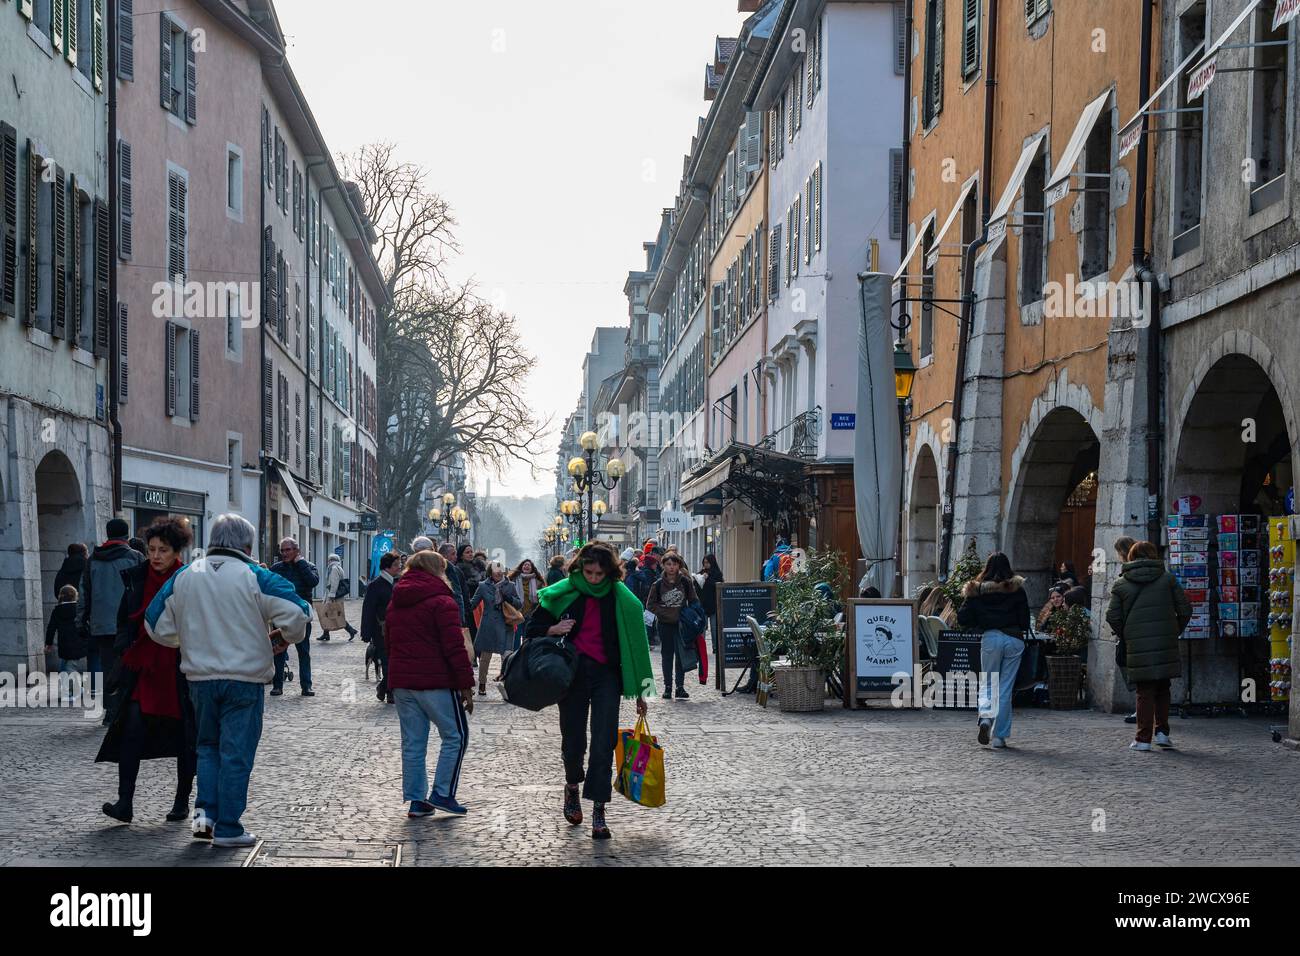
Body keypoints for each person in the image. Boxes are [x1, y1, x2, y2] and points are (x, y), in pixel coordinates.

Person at [145, 513, 310, 847]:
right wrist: (284, 638)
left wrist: (187, 641)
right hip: (243, 679)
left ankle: (203, 824)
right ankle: (229, 827)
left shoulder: (188, 574)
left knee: (207, 750)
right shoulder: (255, 575)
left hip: (200, 678)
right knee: (235, 754)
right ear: (246, 545)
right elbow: (298, 613)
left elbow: (155, 624)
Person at [526, 542, 653, 839]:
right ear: (580, 568)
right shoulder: (565, 591)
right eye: (589, 572)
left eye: (599, 573)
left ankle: (599, 808)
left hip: (607, 675)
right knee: (573, 739)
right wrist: (553, 629)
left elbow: (638, 650)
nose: (594, 578)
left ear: (610, 572)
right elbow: (532, 628)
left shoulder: (622, 599)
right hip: (572, 674)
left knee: (604, 741)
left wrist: (642, 692)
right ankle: (572, 785)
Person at [97, 517, 197, 826]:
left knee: (186, 739)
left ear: (176, 551)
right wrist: (124, 650)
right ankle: (124, 802)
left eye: (163, 550)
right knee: (131, 732)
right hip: (144, 669)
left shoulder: (188, 579)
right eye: (152, 549)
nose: (155, 556)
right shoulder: (137, 576)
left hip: (180, 670)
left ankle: (181, 802)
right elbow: (125, 618)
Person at [385, 550, 475, 817]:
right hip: (436, 681)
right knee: (456, 736)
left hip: (403, 682)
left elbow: (389, 642)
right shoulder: (442, 601)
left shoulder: (396, 600)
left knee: (413, 742)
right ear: (438, 570)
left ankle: (417, 800)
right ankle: (443, 793)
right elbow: (454, 647)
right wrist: (466, 685)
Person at [1106, 540, 1191, 752]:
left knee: (1144, 691)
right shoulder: (1168, 579)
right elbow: (1185, 610)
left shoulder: (1122, 583)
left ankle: (1143, 738)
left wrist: (1127, 634)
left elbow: (1112, 616)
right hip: (1165, 640)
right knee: (1163, 687)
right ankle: (1162, 733)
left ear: (1131, 557)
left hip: (1136, 643)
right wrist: (1173, 631)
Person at [958, 552, 1030, 749]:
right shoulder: (1017, 589)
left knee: (989, 684)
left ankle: (986, 719)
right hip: (1013, 638)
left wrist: (980, 621)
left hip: (990, 637)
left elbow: (963, 618)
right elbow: (1025, 620)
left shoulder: (977, 591)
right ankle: (999, 737)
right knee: (1006, 688)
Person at [79, 518, 145, 724]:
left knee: (108, 667)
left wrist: (81, 620)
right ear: (126, 536)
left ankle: (111, 711)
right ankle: (129, 709)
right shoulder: (136, 557)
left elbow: (84, 593)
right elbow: (145, 591)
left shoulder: (92, 560)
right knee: (132, 665)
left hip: (102, 624)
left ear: (108, 534)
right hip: (129, 623)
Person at [268, 538, 319, 697]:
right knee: (279, 651)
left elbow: (313, 582)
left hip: (301, 617)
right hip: (281, 615)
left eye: (288, 550)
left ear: (297, 550)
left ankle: (306, 686)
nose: (284, 553)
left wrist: (301, 563)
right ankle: (277, 685)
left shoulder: (308, 567)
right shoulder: (276, 568)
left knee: (303, 651)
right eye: (282, 550)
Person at [647, 552, 700, 700]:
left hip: (681, 625)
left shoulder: (685, 582)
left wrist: (692, 616)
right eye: (668, 564)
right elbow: (650, 605)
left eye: (674, 564)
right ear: (663, 565)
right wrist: (663, 613)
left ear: (679, 565)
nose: (671, 567)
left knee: (681, 655)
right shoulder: (657, 584)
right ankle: (668, 687)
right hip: (664, 625)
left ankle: (680, 687)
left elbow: (693, 600)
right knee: (667, 655)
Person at [468, 562, 522, 696]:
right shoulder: (482, 586)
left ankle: (506, 685)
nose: (498, 572)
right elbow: (472, 604)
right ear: (490, 571)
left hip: (506, 625)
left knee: (506, 656)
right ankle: (482, 683)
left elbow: (519, 604)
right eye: (495, 570)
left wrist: (509, 598)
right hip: (489, 626)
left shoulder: (510, 586)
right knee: (485, 657)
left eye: (500, 570)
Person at [362, 551, 402, 695]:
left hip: (397, 629)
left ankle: (383, 687)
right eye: (396, 565)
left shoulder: (397, 583)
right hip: (381, 630)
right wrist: (366, 632)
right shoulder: (376, 585)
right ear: (387, 567)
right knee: (386, 661)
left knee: (394, 661)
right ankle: (390, 693)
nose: (399, 567)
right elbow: (368, 609)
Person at [1111, 535, 1138, 724]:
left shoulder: (1126, 577)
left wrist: (1122, 630)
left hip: (1131, 633)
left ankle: (1142, 712)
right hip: (1146, 632)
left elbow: (1113, 614)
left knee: (1133, 670)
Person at [45, 584, 84, 703]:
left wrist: (48, 643)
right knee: (70, 669)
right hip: (78, 643)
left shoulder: (57, 610)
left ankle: (74, 691)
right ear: (75, 596)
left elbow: (51, 628)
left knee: (67, 668)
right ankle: (75, 691)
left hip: (64, 644)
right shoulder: (78, 608)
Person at [318, 554, 358, 642]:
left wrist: (331, 596)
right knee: (328, 614)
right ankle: (326, 634)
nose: (328, 561)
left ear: (331, 560)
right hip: (335, 596)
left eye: (329, 560)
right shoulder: (338, 567)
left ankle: (351, 630)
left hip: (333, 596)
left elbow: (334, 583)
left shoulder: (333, 569)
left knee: (335, 615)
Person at [508, 559, 545, 651]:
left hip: (531, 614)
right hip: (516, 613)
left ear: (532, 568)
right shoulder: (513, 580)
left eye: (529, 565)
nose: (526, 566)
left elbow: (542, 598)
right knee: (516, 637)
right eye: (524, 565)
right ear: (521, 567)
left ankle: (525, 655)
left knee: (527, 637)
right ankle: (515, 656)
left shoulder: (538, 582)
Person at [699, 554, 724, 653]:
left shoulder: (717, 573)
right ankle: (701, 647)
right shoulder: (701, 573)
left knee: (714, 627)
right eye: (704, 562)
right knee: (702, 627)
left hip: (714, 604)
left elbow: (717, 585)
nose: (706, 565)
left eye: (707, 562)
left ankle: (715, 647)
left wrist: (707, 578)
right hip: (703, 604)